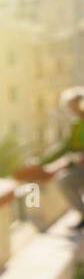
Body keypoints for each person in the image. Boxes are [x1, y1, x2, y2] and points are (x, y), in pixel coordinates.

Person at [38, 86, 84, 230]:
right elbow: (66, 146)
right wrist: (41, 161)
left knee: (65, 180)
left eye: (73, 106)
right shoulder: (77, 125)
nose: (71, 110)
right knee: (64, 180)